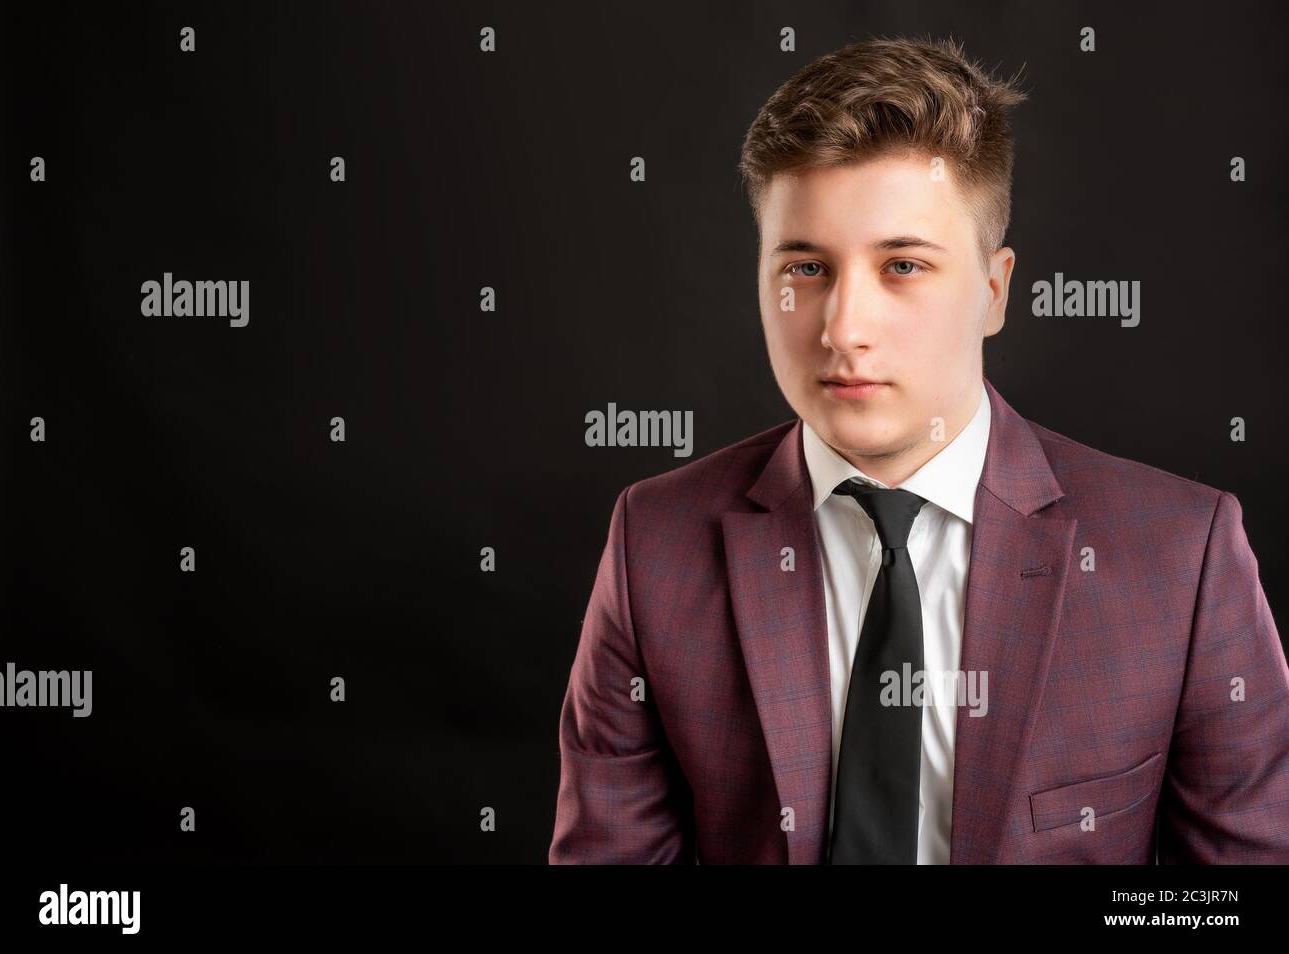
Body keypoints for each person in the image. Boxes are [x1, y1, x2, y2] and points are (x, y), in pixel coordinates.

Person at [549, 36, 1289, 864]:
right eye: (806, 267)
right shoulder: (654, 543)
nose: (843, 330)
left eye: (902, 264)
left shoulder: (1183, 555)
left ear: (994, 291)